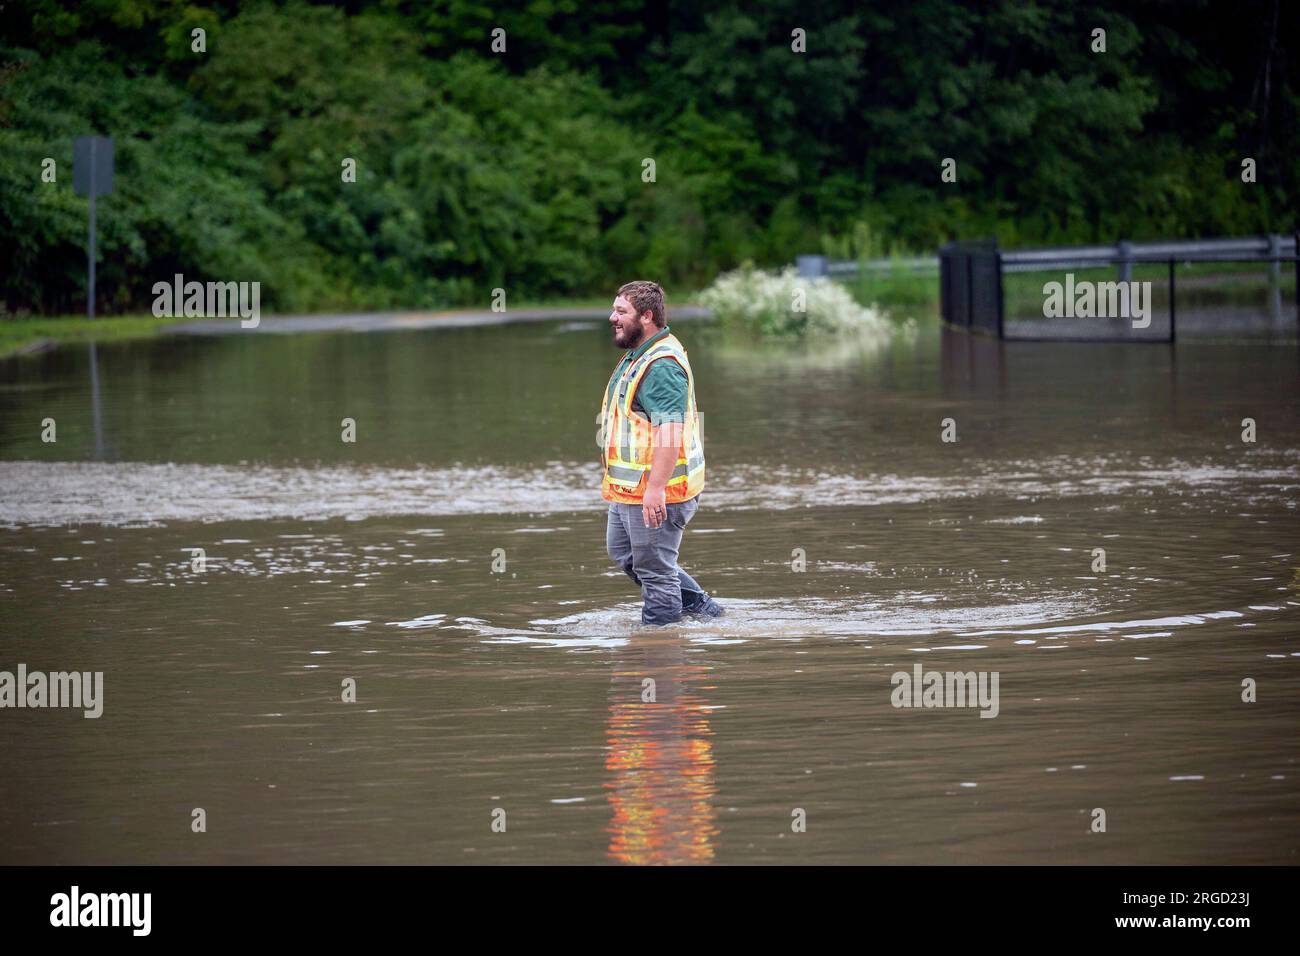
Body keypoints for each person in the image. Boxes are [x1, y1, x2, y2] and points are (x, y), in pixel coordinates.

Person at [599, 280, 723, 625]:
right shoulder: (639, 354)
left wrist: (655, 489)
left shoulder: (661, 365)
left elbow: (671, 432)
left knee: (655, 572)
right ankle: (702, 609)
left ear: (647, 316)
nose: (612, 317)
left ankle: (661, 646)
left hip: (658, 491)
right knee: (623, 553)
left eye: (621, 311)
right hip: (629, 489)